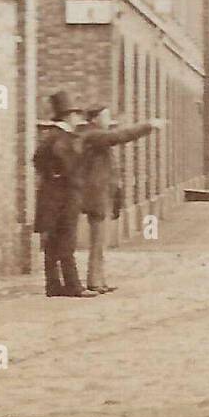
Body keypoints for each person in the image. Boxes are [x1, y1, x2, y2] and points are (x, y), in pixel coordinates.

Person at [77, 106, 161, 294]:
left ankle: (99, 280)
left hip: (103, 195)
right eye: (105, 116)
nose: (109, 120)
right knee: (98, 242)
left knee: (101, 242)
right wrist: (148, 125)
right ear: (95, 119)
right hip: (97, 197)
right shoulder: (94, 135)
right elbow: (119, 136)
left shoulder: (97, 135)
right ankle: (95, 281)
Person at [34, 91, 94, 298]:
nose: (78, 119)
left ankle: (53, 286)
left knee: (52, 243)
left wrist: (51, 174)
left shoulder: (53, 137)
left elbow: (38, 160)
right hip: (64, 197)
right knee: (66, 242)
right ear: (68, 116)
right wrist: (58, 174)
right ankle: (73, 286)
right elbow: (48, 161)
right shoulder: (61, 138)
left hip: (54, 196)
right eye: (76, 114)